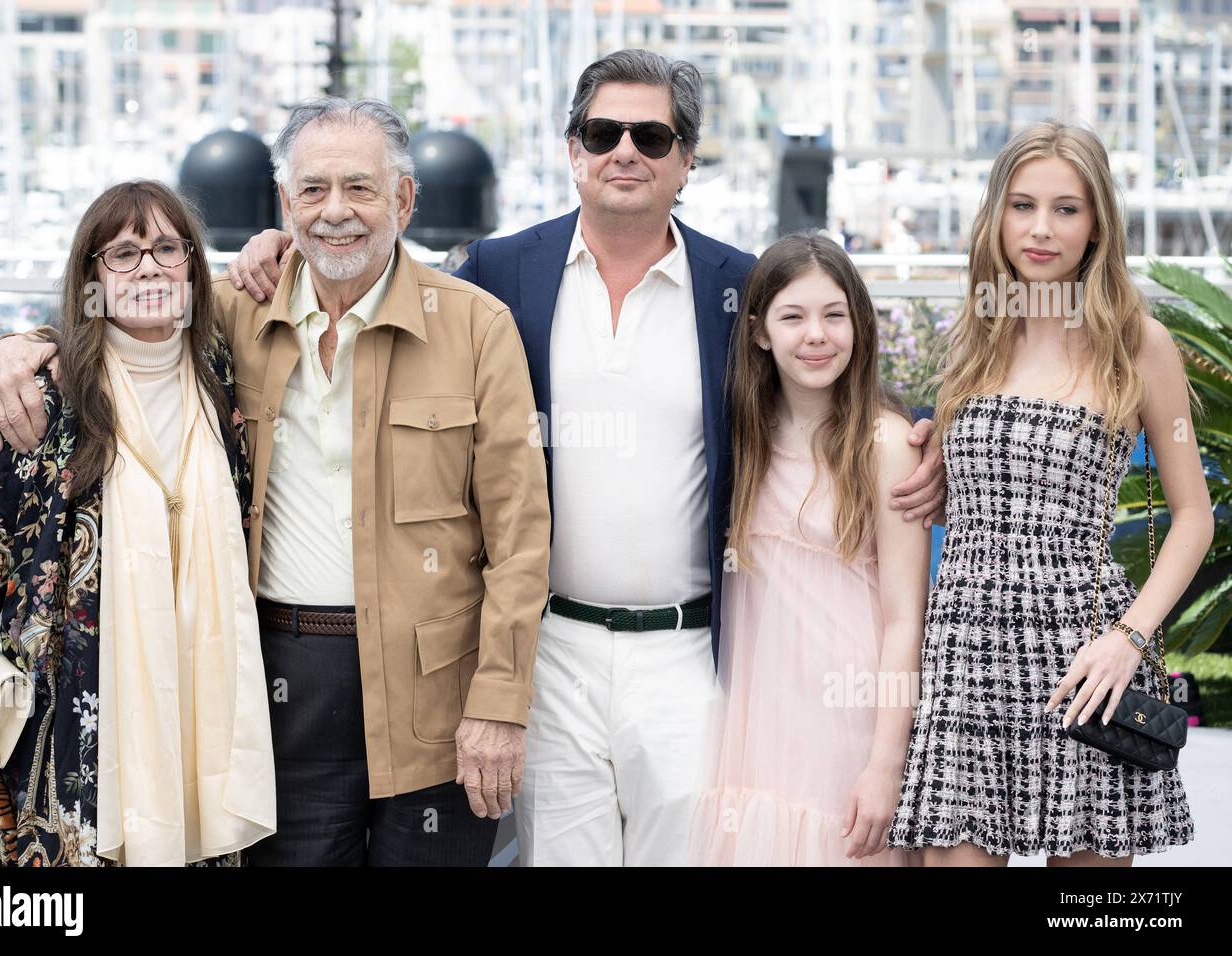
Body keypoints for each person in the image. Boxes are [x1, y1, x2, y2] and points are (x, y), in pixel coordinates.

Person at [227, 50, 946, 867]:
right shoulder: (502, 274)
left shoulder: (734, 287)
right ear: (573, 150)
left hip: (689, 650)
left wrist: (929, 436)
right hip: (552, 649)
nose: (625, 152)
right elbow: (381, 278)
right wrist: (275, 245)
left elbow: (824, 385)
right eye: (603, 133)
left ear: (687, 161)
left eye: (651, 135)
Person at [0, 99, 551, 866]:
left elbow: (520, 540)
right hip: (280, 693)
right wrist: (19, 349)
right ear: (285, 204)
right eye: (312, 191)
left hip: (437, 700)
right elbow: (123, 326)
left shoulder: (477, 328)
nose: (336, 212)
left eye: (361, 187)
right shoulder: (235, 317)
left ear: (406, 201)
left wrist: (499, 706)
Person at [888, 121, 1209, 865]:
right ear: (996, 213)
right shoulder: (976, 333)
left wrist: (1127, 640)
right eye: (1023, 205)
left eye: (1067, 208)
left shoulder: (1138, 343)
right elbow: (977, 467)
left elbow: (1193, 515)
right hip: (967, 650)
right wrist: (941, 447)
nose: (1041, 229)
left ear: (1097, 223)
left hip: (1087, 654)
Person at [0, 180, 276, 866]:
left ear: (192, 266)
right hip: (75, 705)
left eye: (167, 248)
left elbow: (320, 257)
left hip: (203, 697)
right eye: (123, 253)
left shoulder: (222, 369)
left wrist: (277, 235)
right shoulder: (45, 394)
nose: (149, 267)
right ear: (92, 273)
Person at [689, 233, 929, 866]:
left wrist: (885, 763)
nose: (816, 335)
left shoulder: (887, 442)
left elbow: (908, 617)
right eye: (793, 316)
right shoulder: (741, 436)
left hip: (846, 730)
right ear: (762, 331)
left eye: (834, 315)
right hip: (752, 730)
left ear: (859, 324)